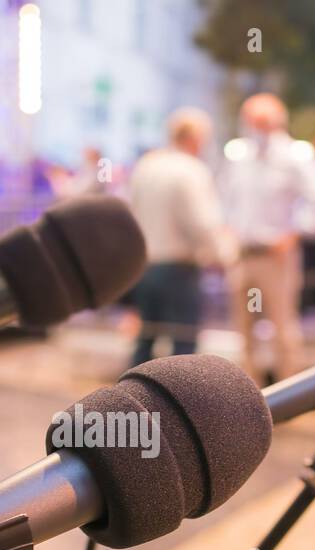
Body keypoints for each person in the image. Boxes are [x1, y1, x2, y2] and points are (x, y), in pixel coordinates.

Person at [220, 93, 315, 383]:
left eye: (260, 121)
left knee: (282, 329)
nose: (254, 127)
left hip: (276, 258)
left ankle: (288, 394)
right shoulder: (240, 156)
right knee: (243, 331)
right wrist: (226, 233)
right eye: (250, 120)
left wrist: (294, 233)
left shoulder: (294, 156)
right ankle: (245, 400)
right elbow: (223, 199)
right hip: (242, 255)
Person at [126, 107, 230, 367]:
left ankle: (133, 399)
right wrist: (224, 255)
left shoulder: (146, 166)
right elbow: (202, 223)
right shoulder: (191, 170)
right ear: (195, 138)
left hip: (144, 265)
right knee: (183, 349)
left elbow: (132, 212)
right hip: (178, 268)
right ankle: (177, 403)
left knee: (145, 339)